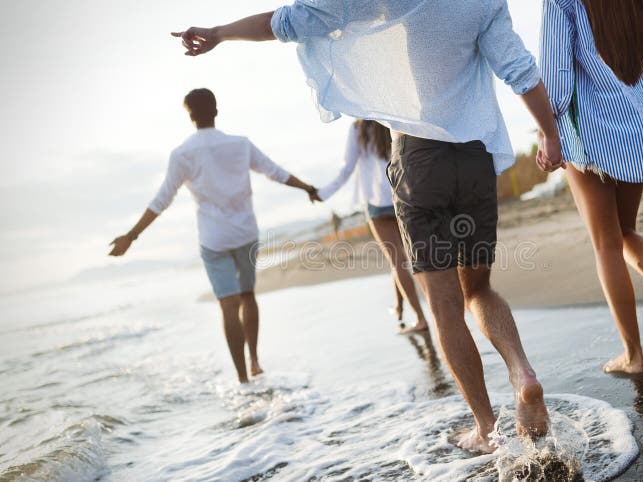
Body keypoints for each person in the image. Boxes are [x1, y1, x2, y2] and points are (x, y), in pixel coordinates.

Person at [172, 0, 564, 453]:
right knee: (478, 290)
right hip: (474, 159)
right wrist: (549, 134)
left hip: (419, 162)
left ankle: (486, 429)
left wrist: (219, 32)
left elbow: (280, 23)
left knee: (443, 307)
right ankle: (520, 371)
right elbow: (520, 69)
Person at [108, 88, 321, 384]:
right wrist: (308, 188)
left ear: (190, 116)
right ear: (216, 111)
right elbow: (276, 172)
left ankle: (243, 378)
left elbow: (161, 200)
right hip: (245, 233)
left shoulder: (182, 154)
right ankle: (255, 361)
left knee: (228, 305)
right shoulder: (240, 144)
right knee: (248, 296)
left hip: (214, 240)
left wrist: (131, 236)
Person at [539, 0, 643, 375]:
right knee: (625, 231)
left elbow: (556, 75)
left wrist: (549, 132)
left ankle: (634, 356)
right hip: (637, 127)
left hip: (588, 131)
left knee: (607, 244)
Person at [318, 119, 429, 334]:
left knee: (397, 260)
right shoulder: (390, 115)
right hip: (404, 192)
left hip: (376, 203)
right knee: (409, 258)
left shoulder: (358, 128)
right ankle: (401, 306)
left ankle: (420, 318)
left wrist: (322, 193)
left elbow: (346, 168)